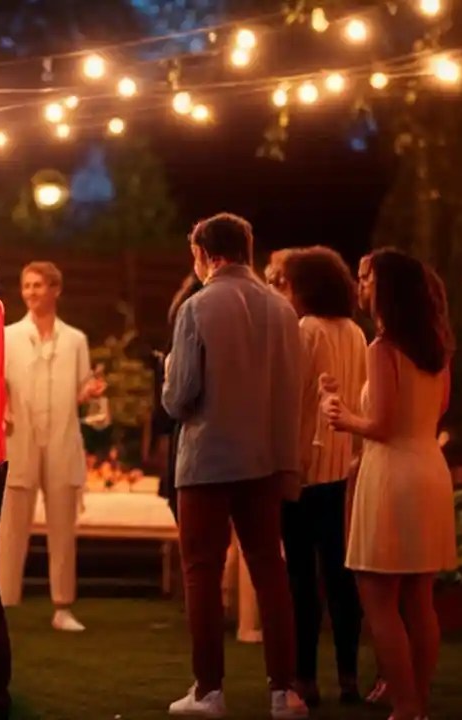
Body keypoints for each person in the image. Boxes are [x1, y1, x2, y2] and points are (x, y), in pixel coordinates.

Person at [163, 213, 307, 719]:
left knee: (202, 572)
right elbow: (294, 394)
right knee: (270, 569)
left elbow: (179, 398)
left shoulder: (198, 307)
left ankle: (208, 691)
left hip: (208, 458)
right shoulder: (283, 310)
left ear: (207, 254)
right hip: (266, 458)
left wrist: (166, 373)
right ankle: (283, 692)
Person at [322, 248, 456, 720]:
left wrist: (341, 416)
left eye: (366, 277)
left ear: (387, 287)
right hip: (429, 469)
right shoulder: (437, 349)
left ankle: (405, 705)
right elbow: (432, 414)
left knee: (378, 598)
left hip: (392, 473)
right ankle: (417, 699)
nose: (360, 286)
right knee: (420, 599)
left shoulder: (383, 349)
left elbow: (381, 424)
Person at [274, 247, 368, 706]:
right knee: (340, 574)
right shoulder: (354, 332)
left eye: (286, 284)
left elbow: (290, 399)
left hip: (304, 468)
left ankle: (304, 676)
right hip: (342, 466)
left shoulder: (305, 330)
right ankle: (348, 673)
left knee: (301, 578)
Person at [0, 261, 104, 633]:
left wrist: (90, 391)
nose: (30, 292)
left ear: (55, 290)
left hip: (61, 436)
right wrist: (3, 408)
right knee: (11, 526)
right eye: (26, 286)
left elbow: (81, 390)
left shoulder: (74, 339)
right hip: (19, 437)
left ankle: (62, 606)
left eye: (38, 285)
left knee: (63, 527)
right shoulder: (7, 336)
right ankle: (3, 602)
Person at [149, 274, 203, 521]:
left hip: (188, 427)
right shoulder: (191, 300)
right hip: (179, 427)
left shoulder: (194, 305)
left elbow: (177, 389)